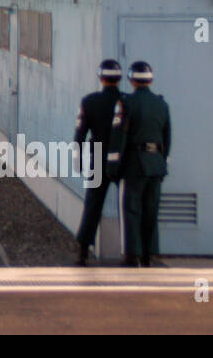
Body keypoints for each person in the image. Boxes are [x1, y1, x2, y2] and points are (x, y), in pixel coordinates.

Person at [106, 61, 172, 267]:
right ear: (150, 80)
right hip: (155, 163)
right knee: (151, 209)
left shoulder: (125, 103)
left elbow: (119, 137)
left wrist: (113, 166)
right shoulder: (161, 104)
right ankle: (149, 254)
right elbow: (166, 137)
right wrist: (162, 163)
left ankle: (131, 254)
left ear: (132, 80)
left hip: (134, 164)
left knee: (131, 209)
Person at [72, 58, 123, 265]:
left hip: (98, 158)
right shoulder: (127, 101)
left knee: (92, 205)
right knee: (128, 206)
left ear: (100, 78)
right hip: (123, 161)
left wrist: (78, 159)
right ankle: (132, 253)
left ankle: (83, 251)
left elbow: (80, 134)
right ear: (119, 79)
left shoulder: (89, 101)